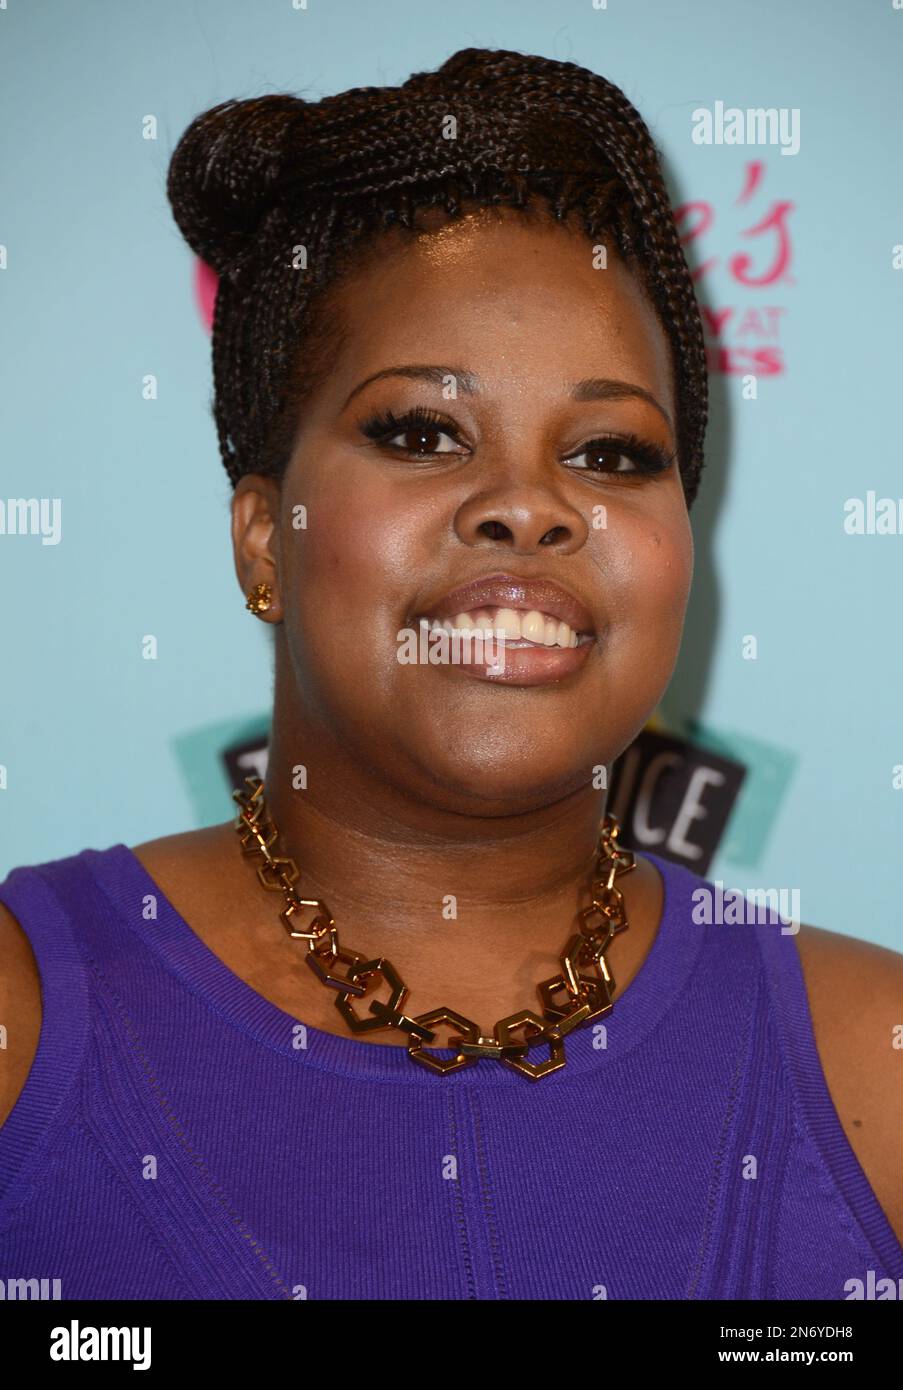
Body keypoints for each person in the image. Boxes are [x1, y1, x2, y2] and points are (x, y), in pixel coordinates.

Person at [1, 47, 901, 1301]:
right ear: (266, 535)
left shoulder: (876, 1061)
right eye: (422, 431)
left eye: (610, 450)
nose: (528, 507)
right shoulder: (29, 1009)